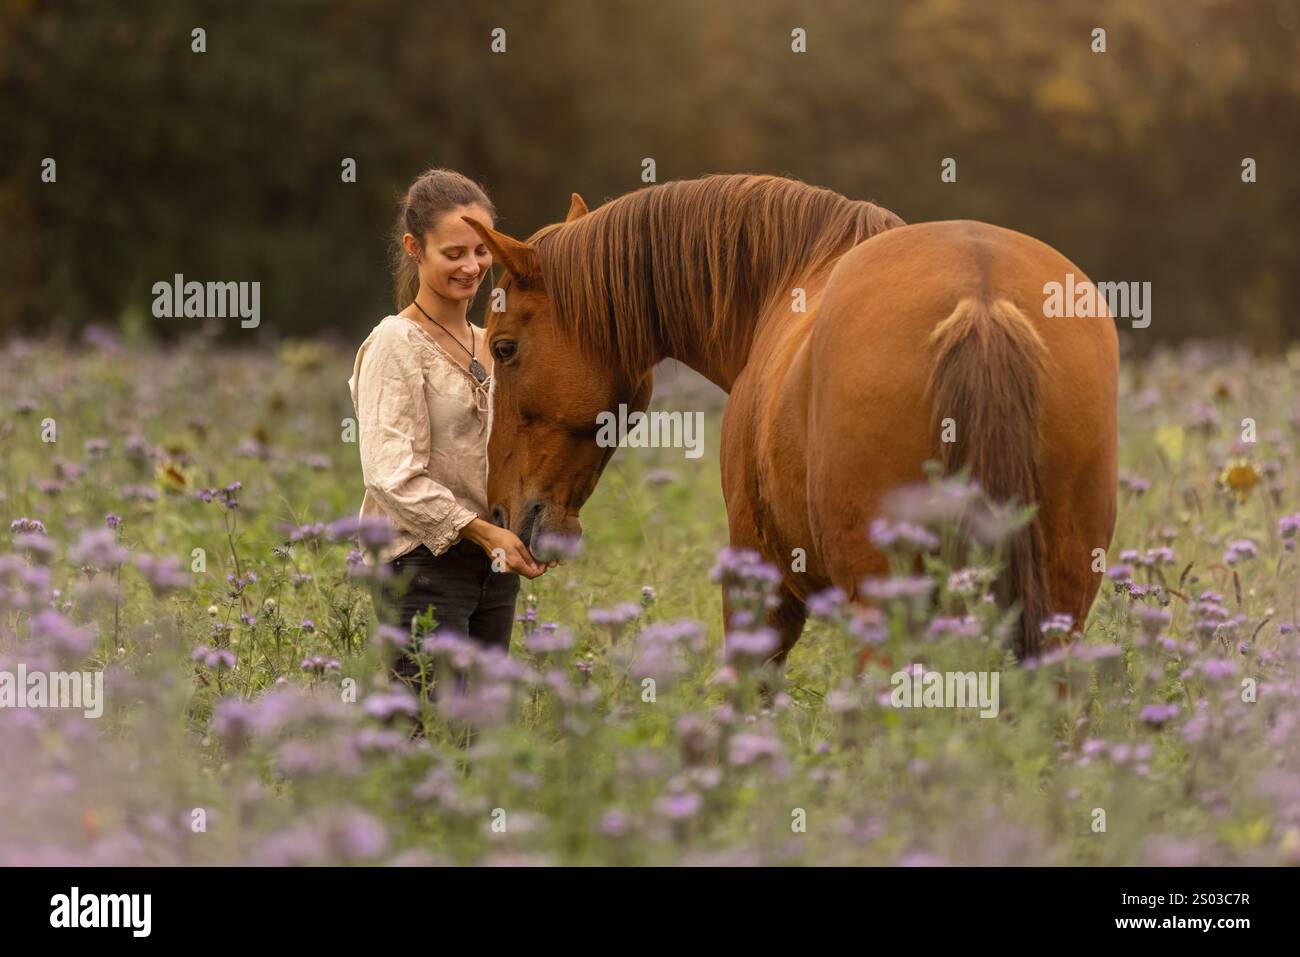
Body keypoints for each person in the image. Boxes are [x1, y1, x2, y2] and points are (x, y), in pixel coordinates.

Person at [347, 167, 548, 689]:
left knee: (478, 740)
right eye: (453, 253)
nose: (472, 266)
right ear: (416, 248)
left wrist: (529, 529)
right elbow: (389, 475)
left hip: (493, 567)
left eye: (481, 251)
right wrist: (481, 532)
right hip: (420, 566)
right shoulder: (397, 342)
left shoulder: (494, 344)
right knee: (423, 733)